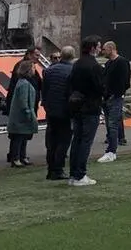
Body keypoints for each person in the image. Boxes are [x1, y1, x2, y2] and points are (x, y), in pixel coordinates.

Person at [68, 35, 105, 186]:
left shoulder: (77, 64)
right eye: (98, 46)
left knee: (77, 140)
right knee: (85, 141)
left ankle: (74, 174)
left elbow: (70, 83)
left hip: (77, 106)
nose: (100, 49)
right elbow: (100, 88)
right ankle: (80, 174)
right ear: (93, 48)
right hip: (90, 106)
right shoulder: (94, 66)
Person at [41, 46, 76, 181]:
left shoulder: (49, 70)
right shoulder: (72, 70)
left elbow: (44, 90)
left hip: (51, 109)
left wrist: (46, 105)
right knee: (64, 140)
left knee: (52, 140)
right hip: (64, 110)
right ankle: (57, 169)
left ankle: (51, 169)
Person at [6, 46, 43, 165]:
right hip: (23, 110)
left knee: (25, 133)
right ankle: (15, 156)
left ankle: (21, 156)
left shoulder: (29, 76)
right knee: (18, 134)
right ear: (29, 54)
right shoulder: (23, 80)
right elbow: (22, 100)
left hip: (29, 106)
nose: (38, 58)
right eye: (36, 55)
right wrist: (28, 111)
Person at [98, 41, 131, 164]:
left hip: (115, 97)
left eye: (104, 49)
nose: (103, 52)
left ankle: (111, 151)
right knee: (110, 124)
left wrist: (117, 94)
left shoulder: (122, 62)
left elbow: (125, 82)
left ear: (111, 48)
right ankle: (112, 148)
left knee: (112, 124)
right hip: (107, 98)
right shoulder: (108, 63)